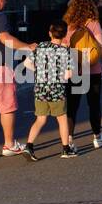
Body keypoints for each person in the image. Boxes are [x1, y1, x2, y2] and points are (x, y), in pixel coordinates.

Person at [0, 0, 36, 159]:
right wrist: (27, 46)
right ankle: (9, 144)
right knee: (7, 107)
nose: (5, 3)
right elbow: (5, 38)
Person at [64, 0, 102, 149]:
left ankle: (69, 139)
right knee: (94, 104)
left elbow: (63, 46)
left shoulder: (68, 23)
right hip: (92, 67)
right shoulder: (93, 22)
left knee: (72, 105)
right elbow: (100, 43)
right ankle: (97, 136)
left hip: (75, 69)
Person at [22, 22, 75, 160]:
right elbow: (69, 74)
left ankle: (29, 146)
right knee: (62, 120)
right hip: (57, 90)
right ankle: (65, 149)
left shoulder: (40, 46)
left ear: (50, 33)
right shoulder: (66, 51)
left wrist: (40, 72)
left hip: (40, 89)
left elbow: (27, 63)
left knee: (40, 119)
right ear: (64, 35)